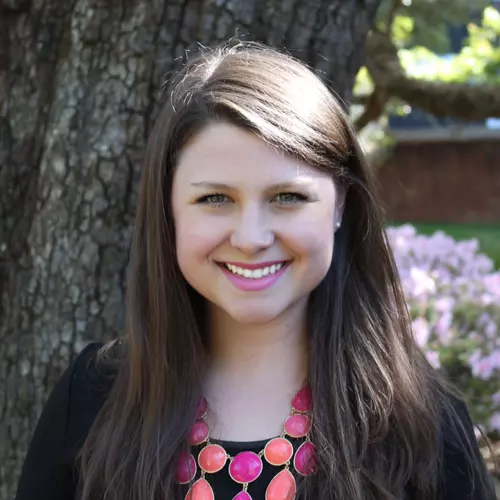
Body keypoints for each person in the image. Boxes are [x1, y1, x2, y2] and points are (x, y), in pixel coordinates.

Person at [15, 41, 495, 500]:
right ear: (170, 209)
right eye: (215, 199)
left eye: (288, 197)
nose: (251, 237)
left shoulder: (423, 423)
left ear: (341, 203)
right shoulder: (92, 399)